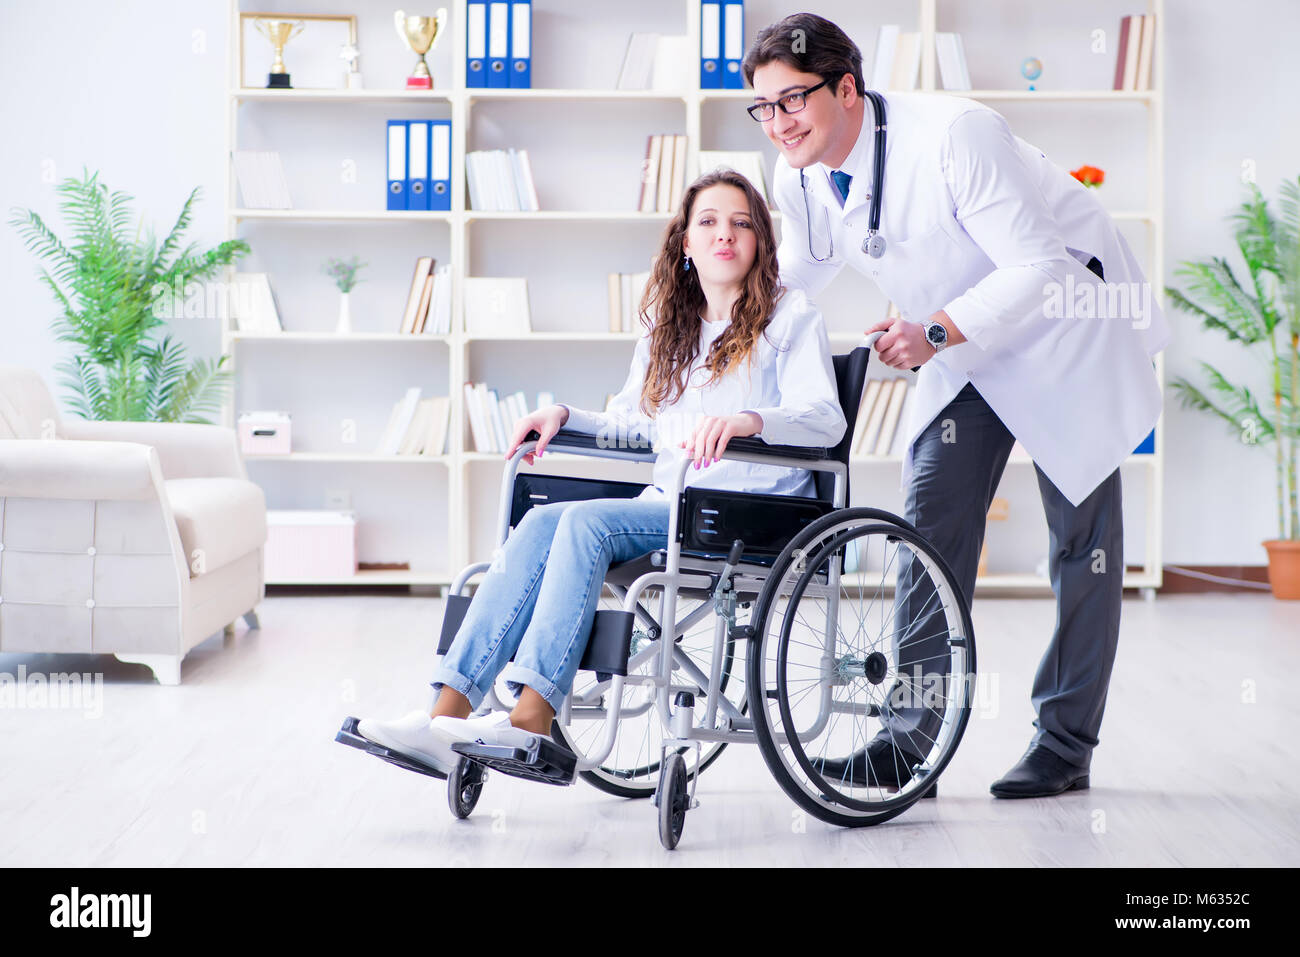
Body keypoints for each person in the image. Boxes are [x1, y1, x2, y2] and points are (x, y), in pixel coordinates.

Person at [741, 14, 1170, 798]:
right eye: (762, 107)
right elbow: (801, 274)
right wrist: (718, 327)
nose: (778, 123)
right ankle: (912, 744)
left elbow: (1038, 264)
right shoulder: (794, 171)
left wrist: (935, 329)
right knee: (928, 530)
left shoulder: (956, 135)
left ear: (846, 88)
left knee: (1083, 546)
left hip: (1064, 327)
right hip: (959, 342)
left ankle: (1065, 743)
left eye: (793, 101)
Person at [356, 169, 846, 770]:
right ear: (685, 244)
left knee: (587, 525)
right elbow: (636, 428)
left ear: (761, 242)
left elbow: (824, 419)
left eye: (742, 223)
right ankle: (444, 712)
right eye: (709, 222)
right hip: (672, 506)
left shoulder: (790, 317)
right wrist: (564, 416)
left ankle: (532, 717)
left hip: (754, 513)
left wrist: (749, 420)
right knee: (541, 523)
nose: (726, 234)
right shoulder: (670, 331)